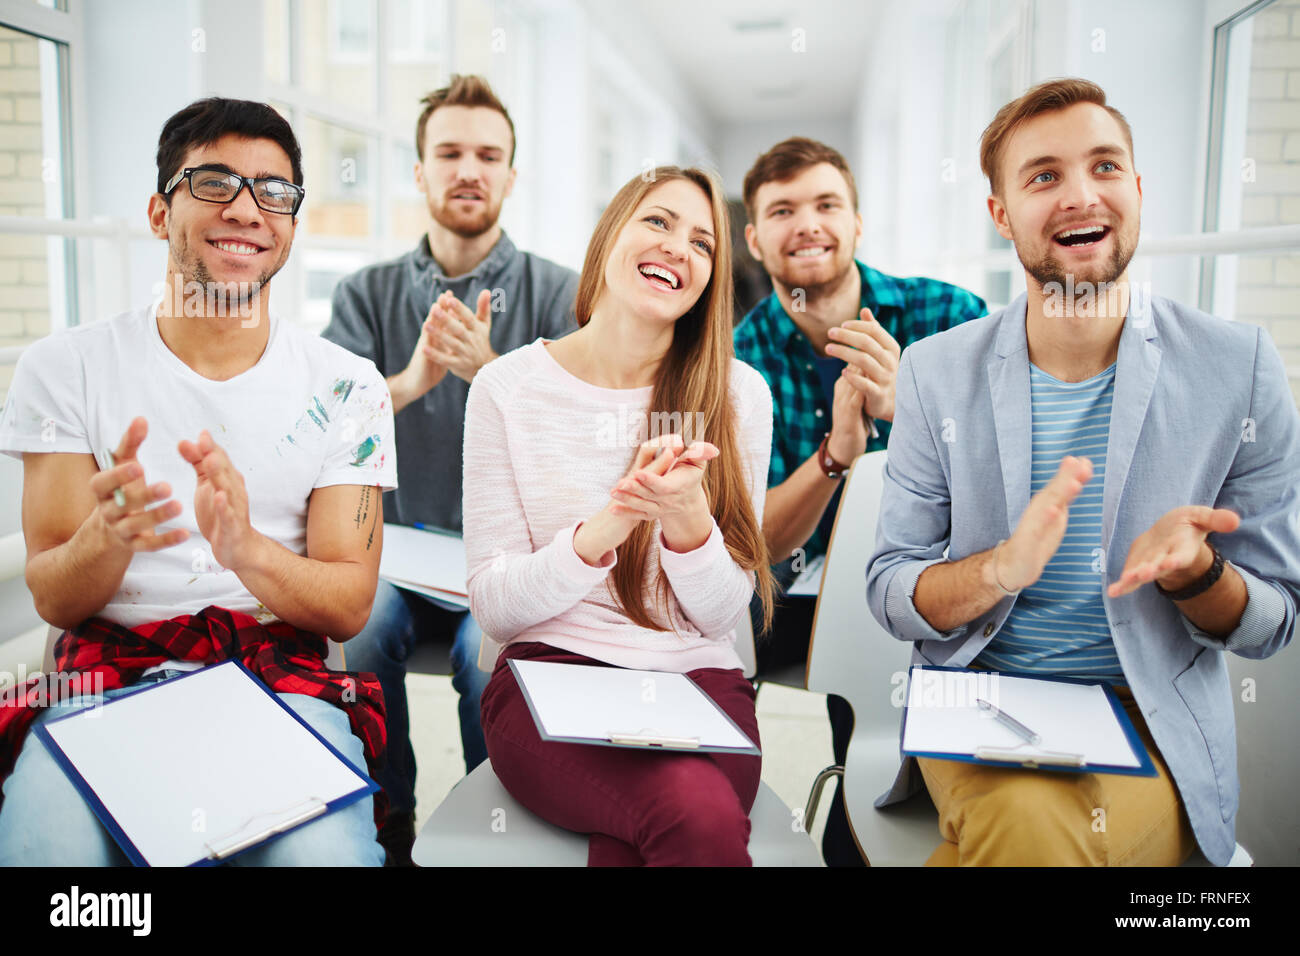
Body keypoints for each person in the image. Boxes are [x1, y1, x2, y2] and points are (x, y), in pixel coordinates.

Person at [867, 78, 1300, 866]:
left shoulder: (1239, 369)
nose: (1080, 196)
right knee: (1028, 825)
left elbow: (1277, 621)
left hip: (1149, 720)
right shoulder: (935, 374)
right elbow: (893, 589)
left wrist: (1196, 574)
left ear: (1137, 189)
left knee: (1024, 838)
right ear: (1000, 215)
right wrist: (997, 570)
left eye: (1105, 167)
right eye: (1043, 176)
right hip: (980, 710)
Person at [0, 98, 397, 866]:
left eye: (274, 192)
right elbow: (55, 596)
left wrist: (246, 550)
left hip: (280, 680)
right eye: (215, 182)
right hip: (106, 681)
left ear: (289, 223)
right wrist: (106, 540)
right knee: (49, 866)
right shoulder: (64, 368)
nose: (247, 208)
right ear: (159, 212)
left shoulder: (349, 387)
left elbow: (348, 606)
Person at [463, 166, 775, 866]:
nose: (678, 249)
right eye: (659, 222)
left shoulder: (739, 395)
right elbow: (494, 608)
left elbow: (722, 616)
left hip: (699, 686)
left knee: (662, 820)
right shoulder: (507, 390)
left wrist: (689, 523)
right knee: (692, 816)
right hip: (546, 683)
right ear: (611, 233)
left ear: (710, 279)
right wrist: (609, 525)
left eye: (703, 244)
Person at [322, 74, 578, 864]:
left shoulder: (562, 294)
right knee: (357, 637)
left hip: (504, 564)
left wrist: (492, 372)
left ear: (510, 174)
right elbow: (328, 434)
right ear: (420, 173)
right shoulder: (364, 294)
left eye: (488, 155)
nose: (469, 169)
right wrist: (409, 385)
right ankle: (387, 819)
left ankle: (495, 830)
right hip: (392, 558)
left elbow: (583, 442)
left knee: (484, 654)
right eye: (450, 153)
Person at [732, 137, 986, 865]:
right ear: (755, 238)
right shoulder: (738, 361)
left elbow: (1014, 482)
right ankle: (716, 811)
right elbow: (760, 543)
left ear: (857, 221)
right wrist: (835, 455)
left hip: (922, 576)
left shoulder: (950, 314)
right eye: (782, 210)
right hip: (793, 593)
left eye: (825, 204)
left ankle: (864, 821)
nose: (806, 223)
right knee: (714, 603)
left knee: (886, 707)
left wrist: (913, 415)